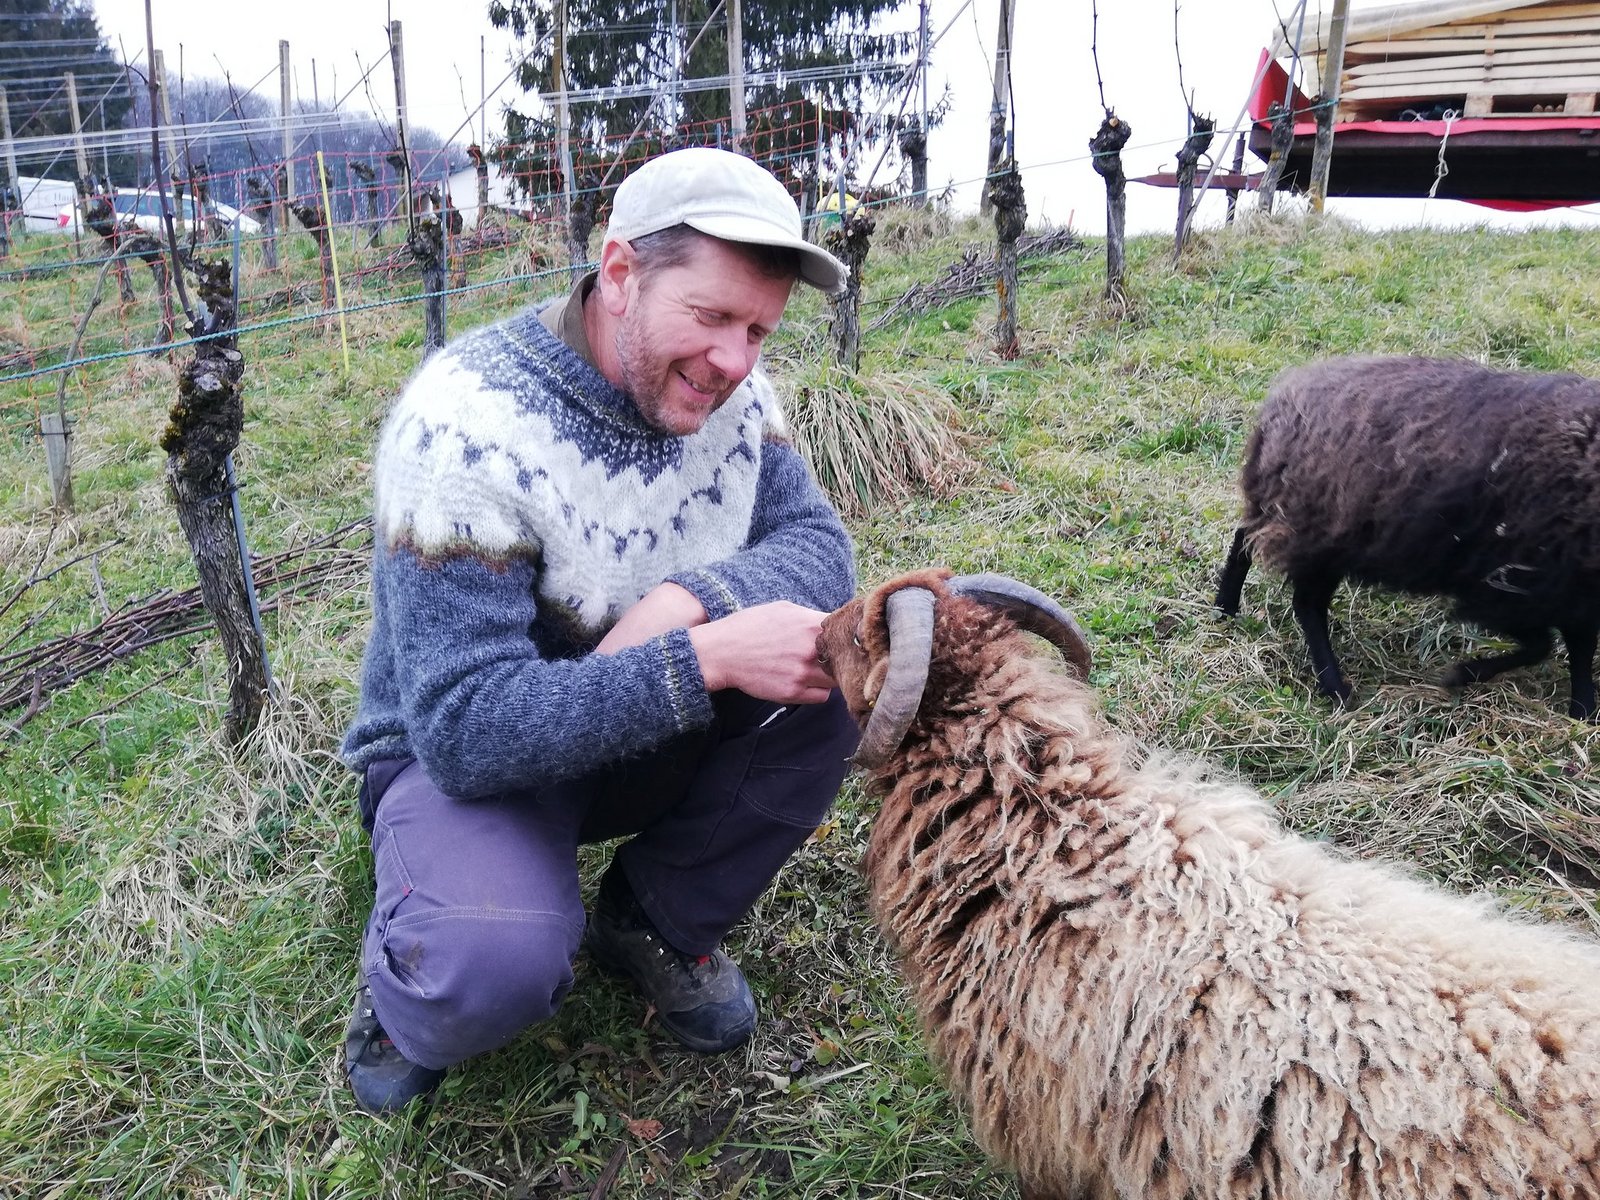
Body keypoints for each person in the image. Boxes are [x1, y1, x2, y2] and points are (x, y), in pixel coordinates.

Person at [337, 146, 861, 1114]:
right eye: (711, 317)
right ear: (620, 274)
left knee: (827, 676)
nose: (735, 361)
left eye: (758, 329)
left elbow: (819, 547)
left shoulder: (732, 397)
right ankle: (413, 975)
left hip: (634, 723)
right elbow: (465, 730)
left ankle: (653, 916)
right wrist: (700, 658)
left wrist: (686, 603)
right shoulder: (467, 426)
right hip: (472, 766)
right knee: (487, 967)